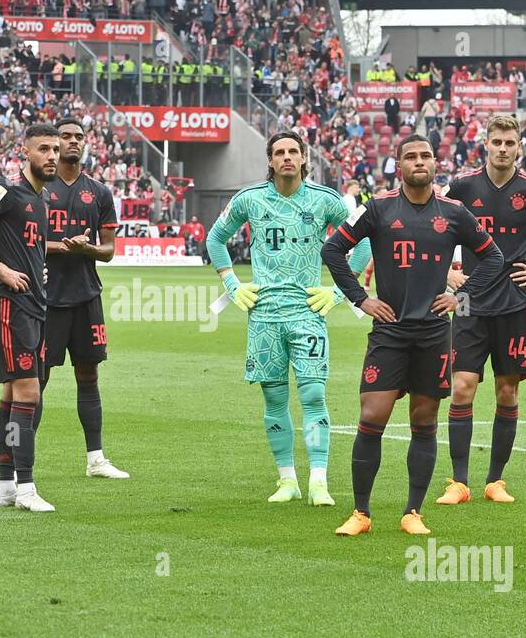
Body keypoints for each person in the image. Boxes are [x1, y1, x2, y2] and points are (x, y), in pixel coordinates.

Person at [323, 135, 503, 536]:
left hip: (434, 333)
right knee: (372, 416)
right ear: (398, 164)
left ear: (434, 163)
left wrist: (463, 295)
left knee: (424, 420)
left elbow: (493, 256)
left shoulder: (454, 213)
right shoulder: (378, 209)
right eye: (410, 156)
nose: (419, 161)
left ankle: (413, 512)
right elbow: (333, 250)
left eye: (425, 156)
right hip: (388, 331)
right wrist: (360, 299)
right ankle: (361, 514)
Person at [205, 131, 371, 507]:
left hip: (307, 310)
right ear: (270, 160)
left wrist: (339, 292)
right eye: (279, 152)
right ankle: (287, 480)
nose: (286, 158)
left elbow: (363, 243)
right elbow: (215, 239)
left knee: (313, 394)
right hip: (263, 313)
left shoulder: (325, 200)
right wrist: (231, 284)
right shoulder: (249, 199)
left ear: (303, 158)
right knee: (274, 398)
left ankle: (318, 481)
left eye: (293, 151)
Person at [438, 113, 526, 505]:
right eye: (496, 142)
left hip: (515, 302)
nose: (503, 149)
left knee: (506, 391)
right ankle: (459, 482)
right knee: (463, 388)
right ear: (485, 143)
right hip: (469, 300)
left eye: (509, 143)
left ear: (520, 146)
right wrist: (444, 273)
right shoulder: (463, 187)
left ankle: (495, 480)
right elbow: (432, 226)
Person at [0, 124, 57, 512]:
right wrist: (1, 269)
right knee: (29, 394)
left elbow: (30, 246)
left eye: (55, 149)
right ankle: (26, 487)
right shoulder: (6, 189)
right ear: (26, 152)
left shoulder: (44, 199)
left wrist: (40, 269)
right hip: (9, 303)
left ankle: (5, 485)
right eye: (44, 149)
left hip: (35, 303)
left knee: (11, 394)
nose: (52, 155)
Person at [36, 117, 130, 479]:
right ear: (55, 144)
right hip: (45, 297)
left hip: (86, 295)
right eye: (65, 137)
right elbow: (27, 241)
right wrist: (63, 245)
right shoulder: (40, 188)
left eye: (78, 137)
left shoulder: (100, 193)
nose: (73, 142)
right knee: (37, 380)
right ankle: (19, 466)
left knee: (88, 376)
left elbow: (108, 251)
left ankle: (96, 460)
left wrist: (87, 247)